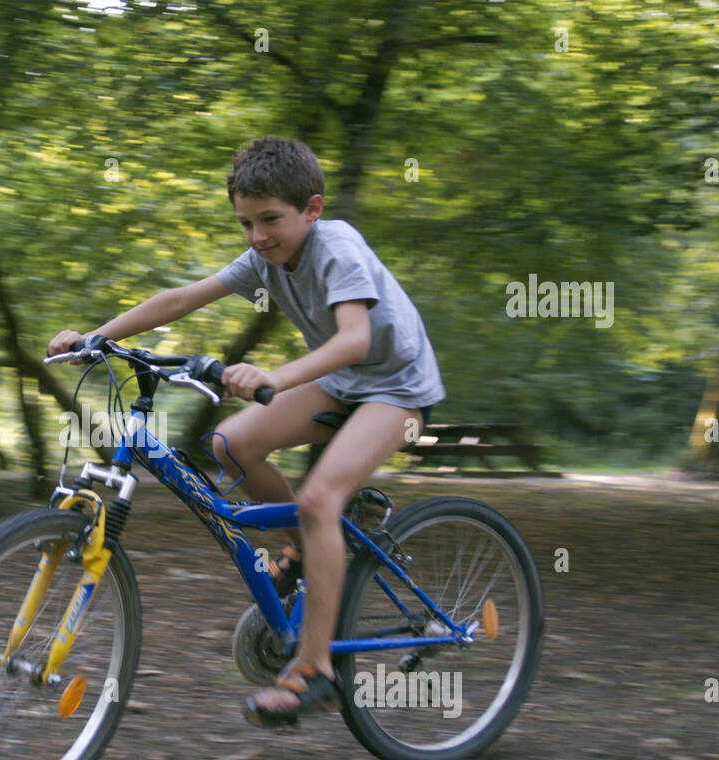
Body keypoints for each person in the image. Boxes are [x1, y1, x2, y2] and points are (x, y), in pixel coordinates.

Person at [47, 136, 445, 728]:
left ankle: (317, 673)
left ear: (311, 209)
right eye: (246, 223)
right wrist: (96, 336)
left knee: (318, 497)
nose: (258, 236)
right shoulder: (264, 259)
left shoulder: (338, 247)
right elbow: (183, 297)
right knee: (231, 444)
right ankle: (311, 550)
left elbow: (356, 340)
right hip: (346, 384)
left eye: (270, 220)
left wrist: (275, 376)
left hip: (399, 390)